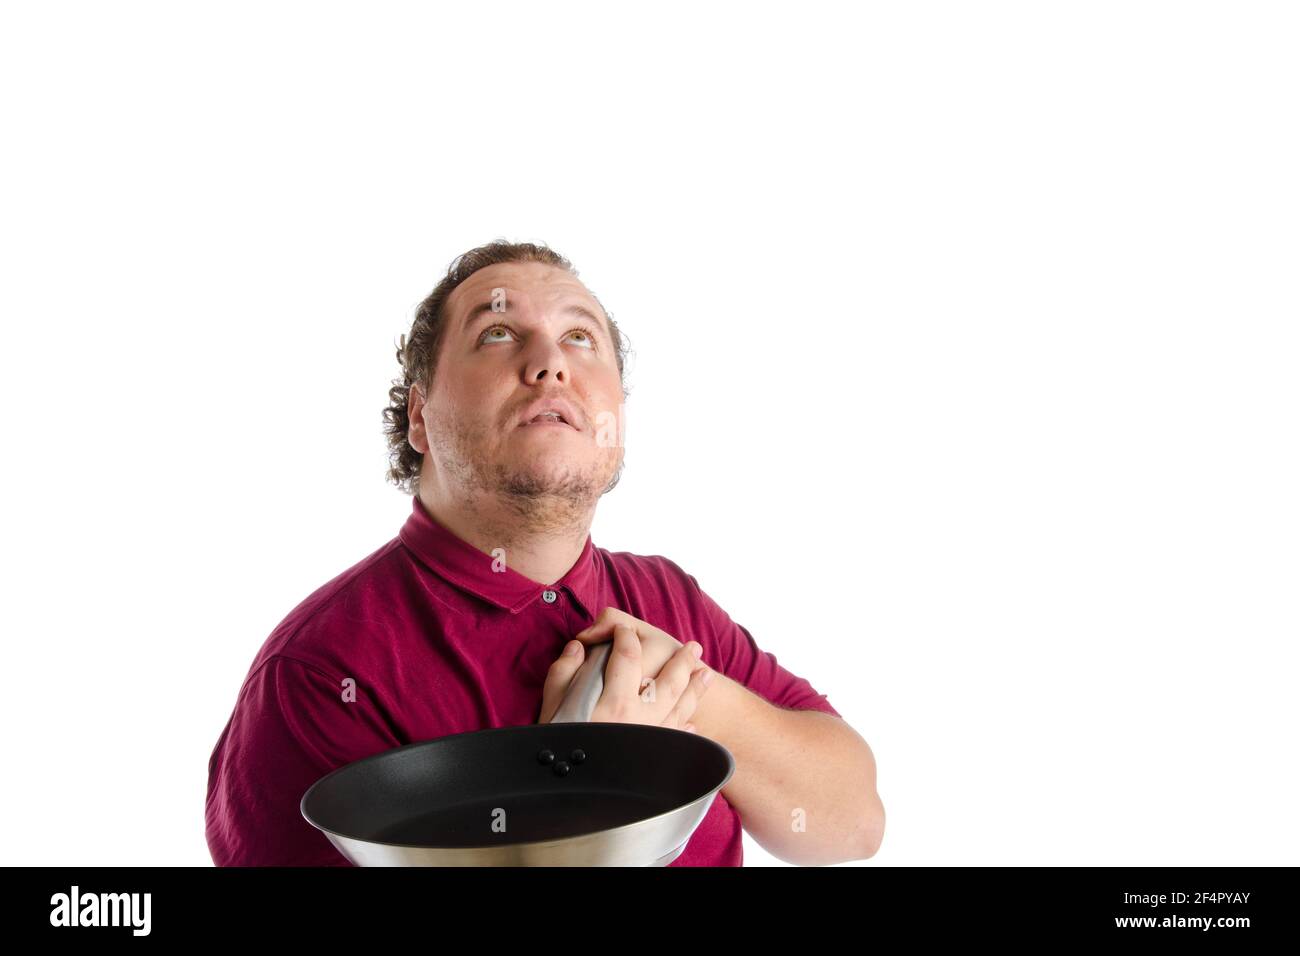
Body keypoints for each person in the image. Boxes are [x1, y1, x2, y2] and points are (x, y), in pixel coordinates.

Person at [204, 239, 885, 866]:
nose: (551, 361)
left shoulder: (670, 603)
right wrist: (592, 783)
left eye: (581, 337)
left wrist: (693, 698)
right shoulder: (318, 675)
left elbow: (850, 826)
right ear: (419, 416)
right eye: (497, 332)